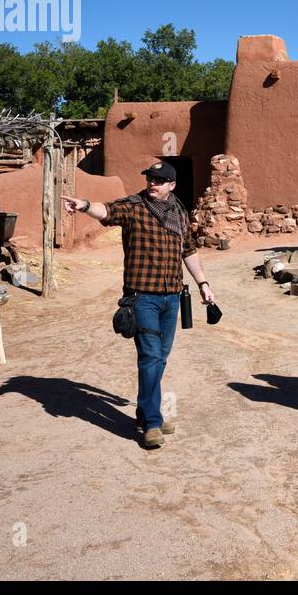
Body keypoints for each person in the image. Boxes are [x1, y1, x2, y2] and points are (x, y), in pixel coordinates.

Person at [60, 161, 215, 450]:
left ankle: (145, 414)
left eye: (159, 180)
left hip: (172, 298)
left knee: (160, 358)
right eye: (150, 179)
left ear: (171, 185)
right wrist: (83, 205)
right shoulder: (134, 206)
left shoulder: (180, 213)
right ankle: (153, 424)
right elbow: (107, 211)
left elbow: (189, 251)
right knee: (151, 357)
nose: (152, 183)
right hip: (142, 298)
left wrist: (203, 284)